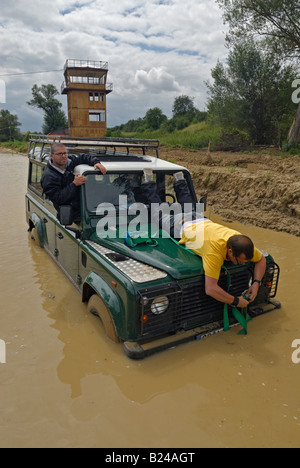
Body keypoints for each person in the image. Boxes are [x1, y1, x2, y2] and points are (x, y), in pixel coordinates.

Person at [141, 169, 266, 309]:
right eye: (239, 261)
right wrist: (236, 301)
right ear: (230, 251)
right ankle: (149, 181)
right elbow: (211, 289)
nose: (243, 264)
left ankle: (180, 179)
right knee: (159, 214)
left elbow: (261, 259)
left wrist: (256, 283)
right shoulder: (213, 252)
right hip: (181, 224)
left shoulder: (241, 243)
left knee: (190, 208)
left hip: (201, 220)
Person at [41, 143, 107, 222]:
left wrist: (96, 163)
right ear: (52, 156)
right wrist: (74, 184)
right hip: (70, 214)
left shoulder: (70, 161)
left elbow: (84, 157)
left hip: (89, 206)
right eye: (59, 154)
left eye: (65, 153)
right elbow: (58, 198)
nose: (63, 156)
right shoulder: (48, 177)